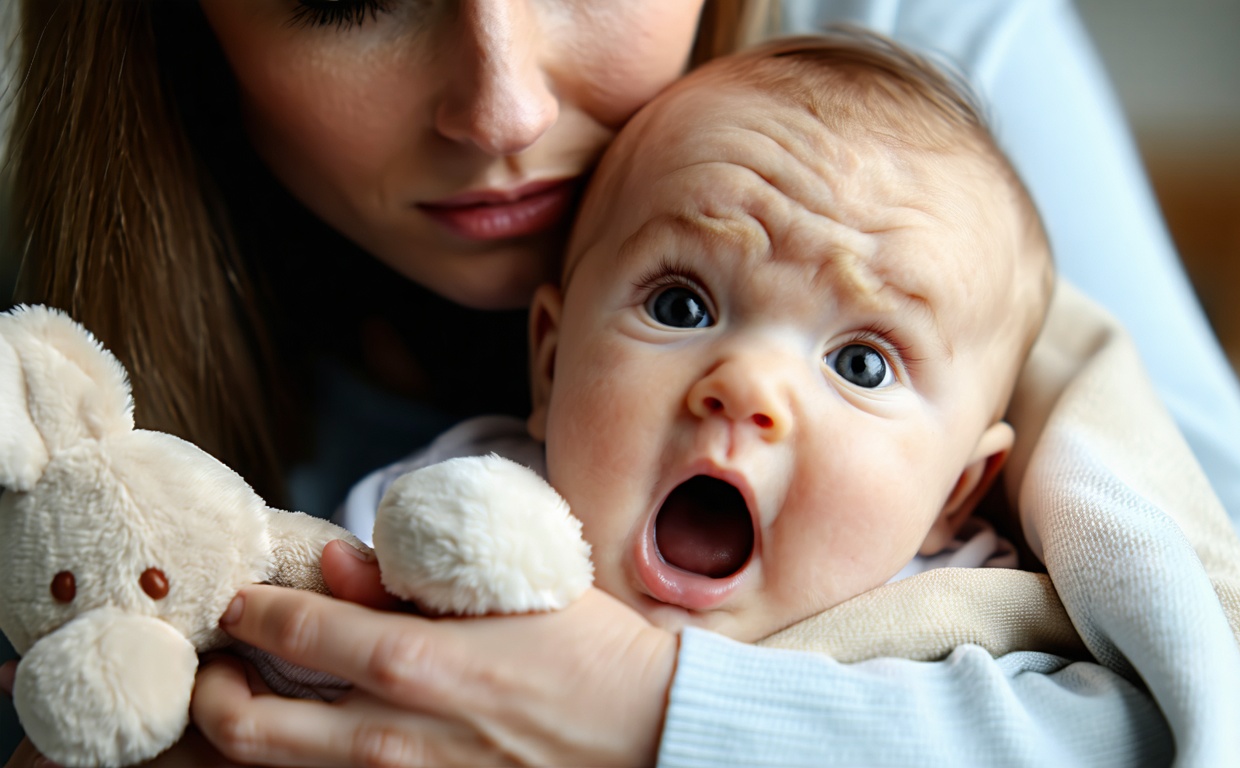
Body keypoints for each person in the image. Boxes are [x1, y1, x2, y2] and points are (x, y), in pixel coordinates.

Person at [1, 0, 1240, 765]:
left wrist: (660, 718)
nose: (504, 109)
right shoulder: (399, 517)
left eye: (859, 362)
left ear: (967, 485)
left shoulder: (914, 131)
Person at [338, 34, 1054, 646]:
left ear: (953, 494)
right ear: (553, 366)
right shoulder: (459, 509)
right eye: (681, 308)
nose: (746, 386)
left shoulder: (956, 621)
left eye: (861, 365)